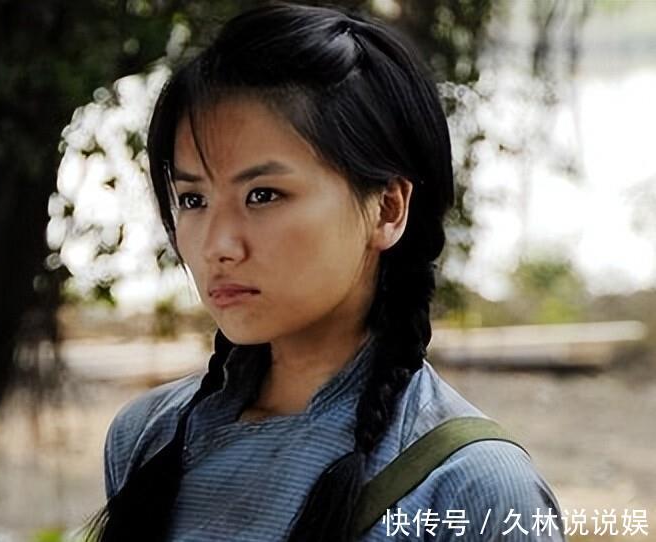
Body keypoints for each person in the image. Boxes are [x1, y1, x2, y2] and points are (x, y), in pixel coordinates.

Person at [83, 3, 566, 541]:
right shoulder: (148, 439)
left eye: (263, 195)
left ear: (387, 209)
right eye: (193, 199)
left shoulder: (469, 486)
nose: (218, 245)